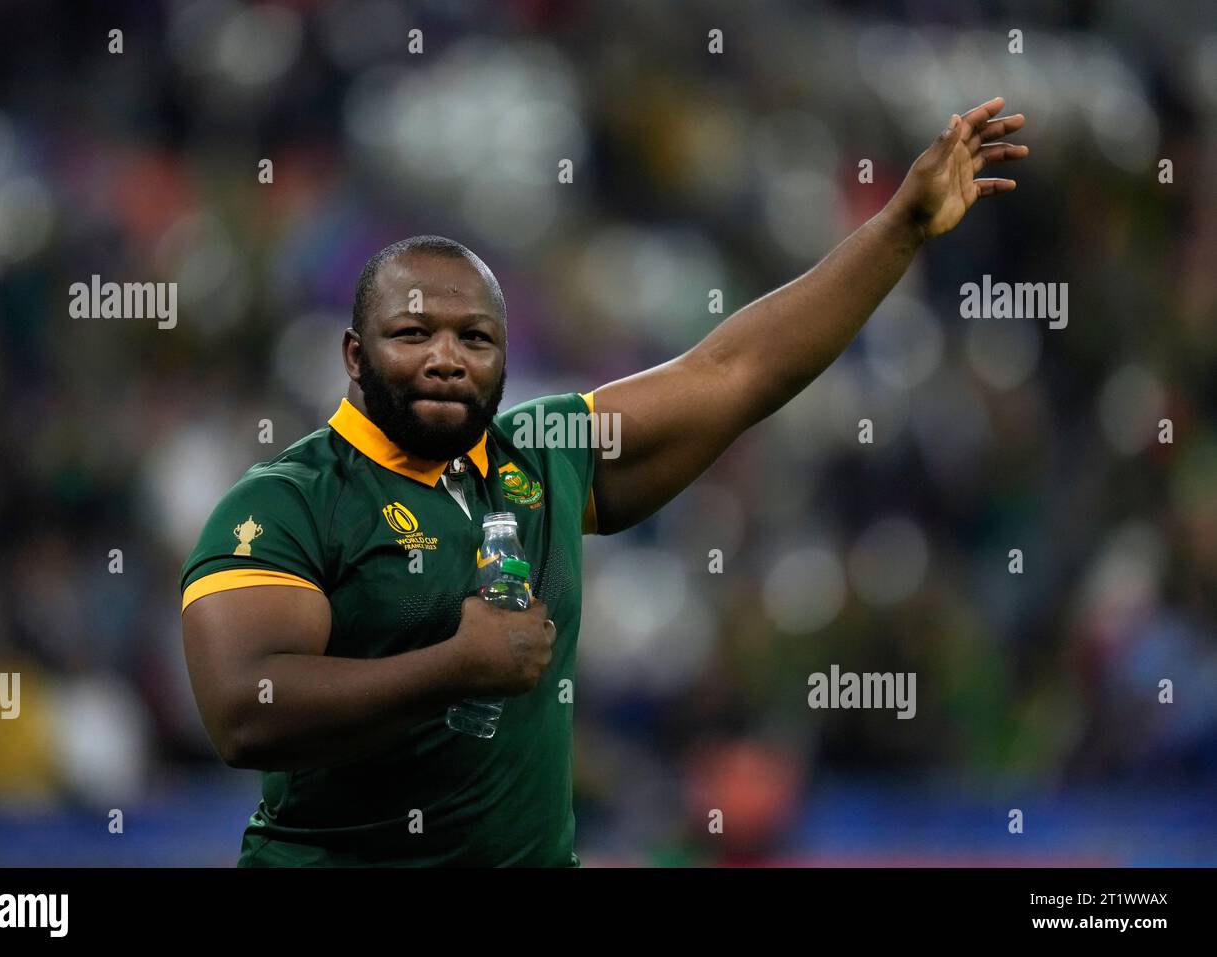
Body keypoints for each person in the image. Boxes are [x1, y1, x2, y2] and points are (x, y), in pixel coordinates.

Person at [180, 97, 1027, 866]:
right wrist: (454, 666)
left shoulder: (544, 455)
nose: (446, 357)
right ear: (356, 357)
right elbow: (243, 709)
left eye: (475, 338)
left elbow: (735, 371)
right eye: (413, 333)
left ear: (506, 361)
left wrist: (902, 229)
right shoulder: (287, 499)